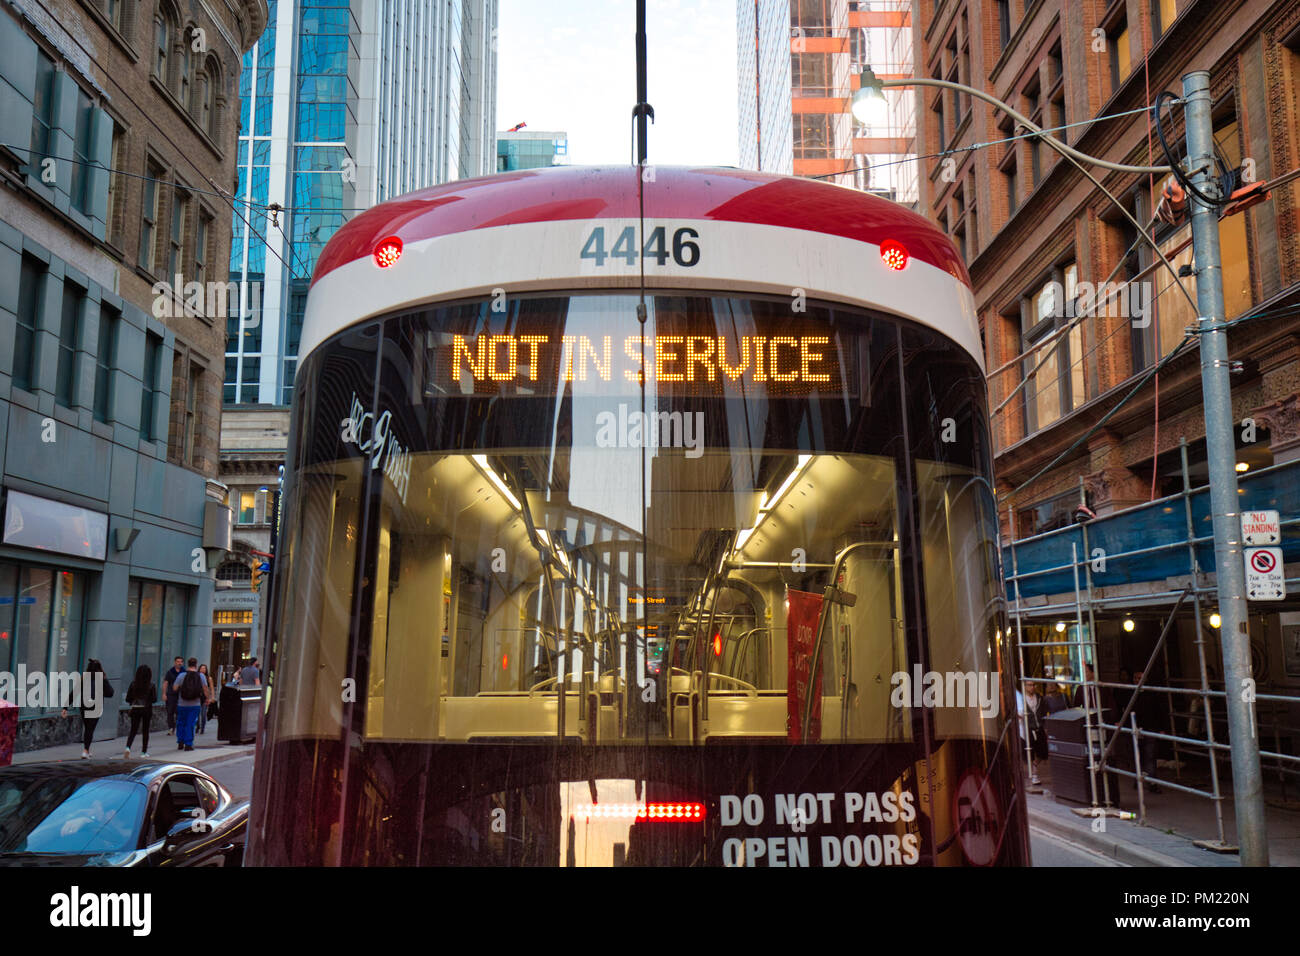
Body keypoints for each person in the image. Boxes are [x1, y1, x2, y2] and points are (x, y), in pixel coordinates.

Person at [59, 659, 113, 758]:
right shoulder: (102, 678)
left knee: (88, 728)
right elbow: (110, 693)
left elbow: (74, 693)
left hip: (84, 705)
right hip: (96, 706)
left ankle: (87, 750)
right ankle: (85, 750)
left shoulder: (84, 678)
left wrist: (65, 707)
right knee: (90, 729)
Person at [1133, 669, 1164, 794]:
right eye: (1135, 678)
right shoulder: (1131, 693)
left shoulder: (1152, 694)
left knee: (1150, 756)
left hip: (1150, 728)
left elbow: (1159, 711)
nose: (1137, 681)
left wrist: (1161, 728)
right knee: (1136, 755)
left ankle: (1152, 782)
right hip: (1136, 727)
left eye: (1140, 678)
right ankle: (1138, 778)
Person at [172, 658, 208, 753]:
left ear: (187, 664)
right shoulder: (201, 676)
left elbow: (175, 688)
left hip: (182, 703)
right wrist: (207, 698)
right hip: (195, 704)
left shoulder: (182, 675)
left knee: (181, 722)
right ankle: (188, 744)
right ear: (196, 665)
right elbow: (205, 689)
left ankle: (180, 741)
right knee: (191, 723)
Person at [124, 665, 156, 758]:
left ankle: (128, 747)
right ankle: (143, 752)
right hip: (146, 709)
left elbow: (128, 698)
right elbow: (154, 699)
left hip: (135, 708)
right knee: (145, 731)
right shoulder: (151, 685)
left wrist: (134, 700)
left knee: (133, 730)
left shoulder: (133, 684)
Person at [1024, 682, 1049, 784]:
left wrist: (1045, 725)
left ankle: (1034, 765)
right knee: (1030, 752)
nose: (1032, 687)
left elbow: (1043, 712)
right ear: (1025, 686)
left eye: (1033, 685)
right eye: (1029, 685)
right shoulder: (1022, 700)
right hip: (1028, 728)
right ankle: (1034, 775)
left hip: (1039, 727)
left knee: (1044, 752)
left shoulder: (1039, 698)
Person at [162, 656, 184, 736]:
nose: (179, 663)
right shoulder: (170, 672)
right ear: (175, 662)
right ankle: (171, 727)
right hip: (171, 695)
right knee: (170, 712)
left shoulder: (184, 672)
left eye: (181, 661)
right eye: (178, 661)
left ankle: (179, 727)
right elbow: (165, 683)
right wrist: (164, 694)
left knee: (179, 712)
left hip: (181, 695)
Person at [196, 664, 214, 735]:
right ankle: (198, 726)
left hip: (205, 698)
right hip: (197, 697)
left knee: (203, 714)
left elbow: (211, 688)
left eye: (204, 668)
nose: (203, 670)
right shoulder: (197, 677)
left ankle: (202, 727)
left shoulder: (209, 678)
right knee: (197, 714)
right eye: (201, 668)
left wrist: (212, 697)